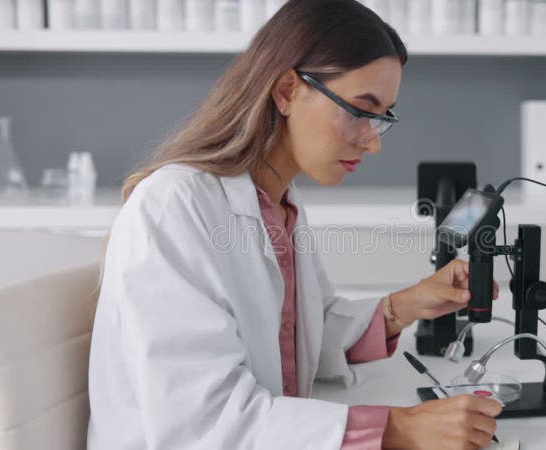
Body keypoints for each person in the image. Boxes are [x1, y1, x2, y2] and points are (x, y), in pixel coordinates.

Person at [87, 1, 502, 448]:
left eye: (381, 118)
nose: (372, 142)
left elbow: (300, 336)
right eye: (359, 111)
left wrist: (403, 307)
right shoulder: (173, 207)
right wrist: (397, 429)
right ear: (286, 91)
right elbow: (204, 420)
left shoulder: (279, 203)